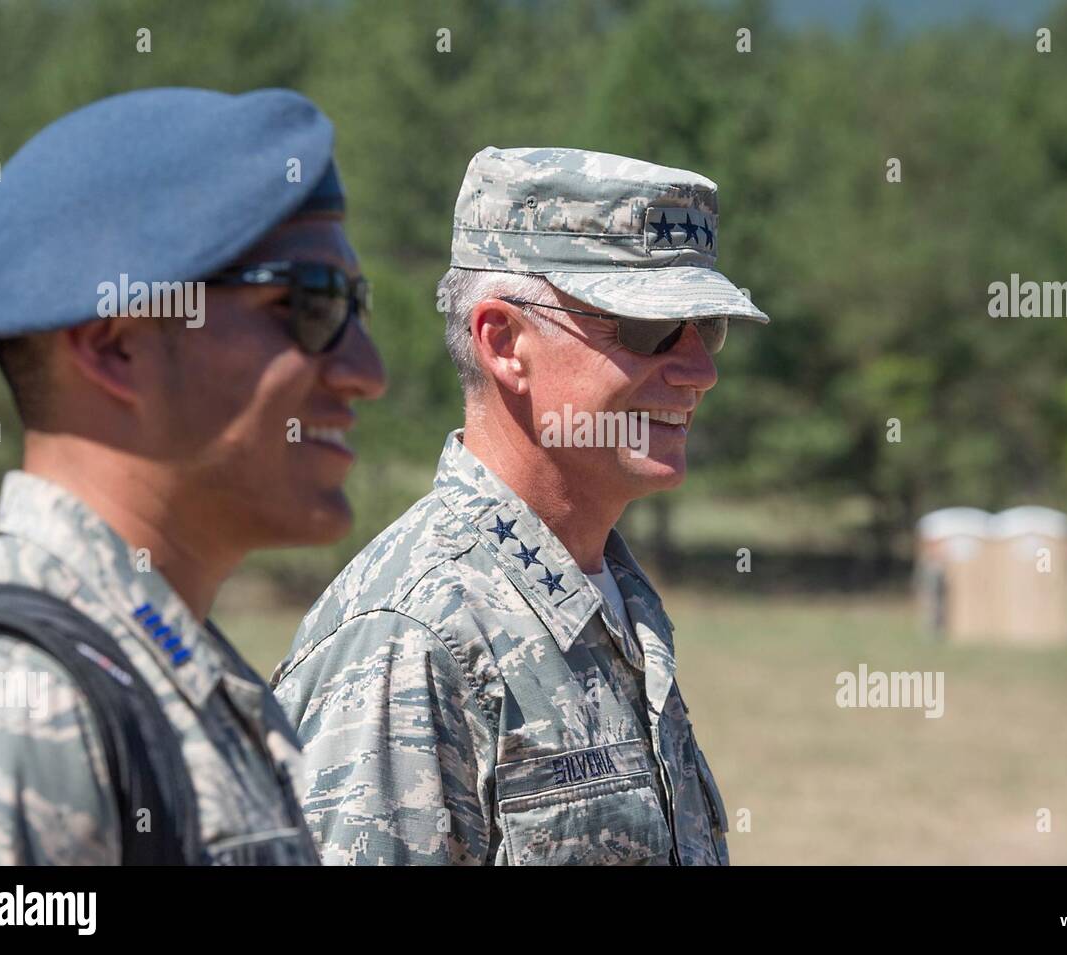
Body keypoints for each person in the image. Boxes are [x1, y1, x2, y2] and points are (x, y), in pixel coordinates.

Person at [273, 146, 768, 865]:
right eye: (647, 327)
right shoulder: (412, 637)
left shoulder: (614, 598)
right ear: (504, 341)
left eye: (707, 327)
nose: (701, 371)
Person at [0, 87, 386, 864]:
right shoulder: (19, 700)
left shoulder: (169, 674)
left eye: (356, 303)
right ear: (115, 346)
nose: (365, 372)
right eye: (308, 303)